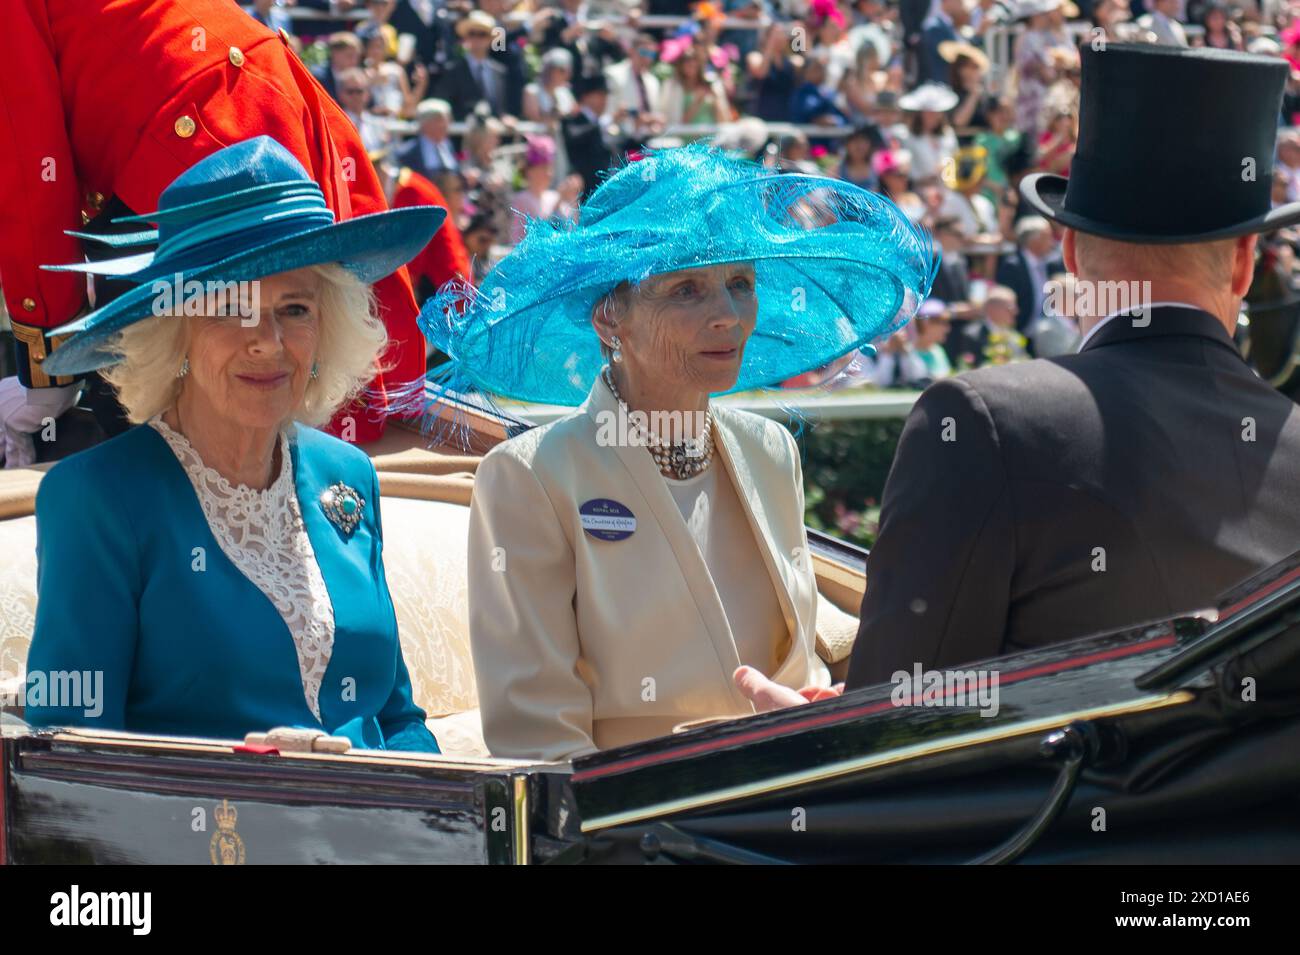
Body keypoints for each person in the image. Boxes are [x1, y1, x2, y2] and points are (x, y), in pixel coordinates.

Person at [736, 43, 1300, 710]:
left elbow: (891, 731)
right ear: (1243, 264)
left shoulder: (987, 419)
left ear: (1069, 251)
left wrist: (810, 735)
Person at [421, 143, 937, 760]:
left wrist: (819, 718)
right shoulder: (531, 477)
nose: (727, 315)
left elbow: (799, 671)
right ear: (610, 318)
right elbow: (540, 741)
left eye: (740, 284)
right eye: (687, 289)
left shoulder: (768, 449)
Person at [25, 138, 446, 750]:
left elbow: (399, 719)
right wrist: (254, 785)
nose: (268, 342)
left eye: (294, 308)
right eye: (229, 307)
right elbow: (71, 756)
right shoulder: (97, 498)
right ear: (173, 332)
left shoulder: (347, 475)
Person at [0, 0, 426, 462]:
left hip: (189, 129)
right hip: (255, 87)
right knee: (285, 331)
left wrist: (47, 373)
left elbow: (27, 175)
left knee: (139, 400)